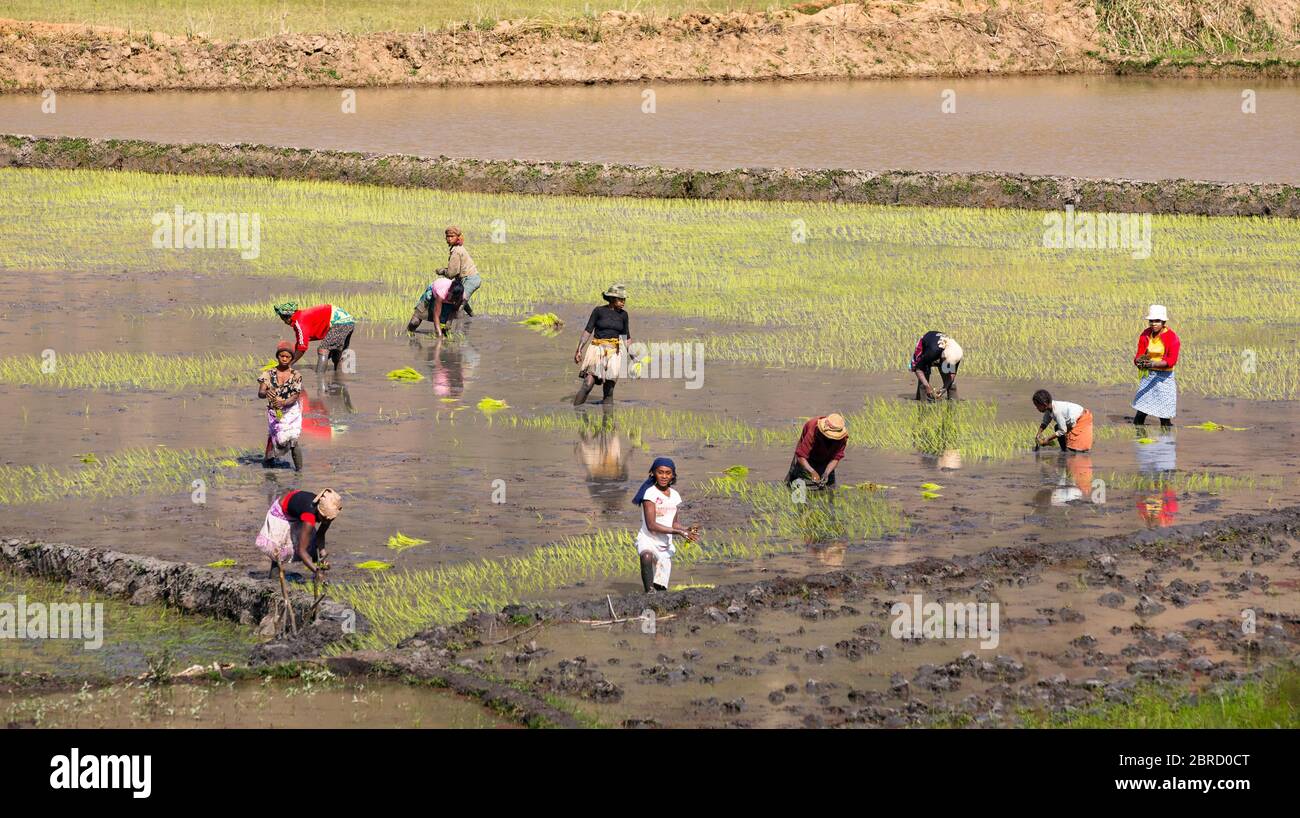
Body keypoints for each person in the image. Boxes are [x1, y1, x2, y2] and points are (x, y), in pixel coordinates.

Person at [633, 457, 698, 593]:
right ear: (653, 473)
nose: (664, 476)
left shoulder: (675, 495)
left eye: (668, 473)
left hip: (664, 544)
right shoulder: (649, 494)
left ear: (673, 475)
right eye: (660, 472)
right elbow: (651, 525)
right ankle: (648, 593)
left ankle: (657, 597)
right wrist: (679, 533)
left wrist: (686, 529)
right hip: (648, 539)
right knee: (646, 556)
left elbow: (674, 523)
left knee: (661, 589)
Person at [254, 488, 341, 582]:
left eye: (328, 520)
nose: (325, 522)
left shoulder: (328, 514)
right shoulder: (309, 515)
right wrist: (317, 571)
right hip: (282, 512)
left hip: (297, 511)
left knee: (312, 542)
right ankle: (274, 575)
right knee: (280, 549)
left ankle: (316, 574)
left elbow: (320, 535)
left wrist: (322, 553)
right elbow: (301, 551)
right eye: (323, 519)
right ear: (319, 511)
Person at [574, 284, 630, 405]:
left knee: (609, 391)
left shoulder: (624, 315)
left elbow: (626, 338)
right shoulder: (599, 311)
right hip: (596, 351)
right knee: (588, 384)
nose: (623, 302)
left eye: (624, 299)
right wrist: (579, 350)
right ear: (612, 299)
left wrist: (635, 357)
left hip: (614, 353)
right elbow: (588, 330)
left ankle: (608, 421)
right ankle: (576, 412)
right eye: (620, 299)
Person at [257, 341, 304, 470]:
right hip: (275, 411)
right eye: (281, 356)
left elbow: (296, 395)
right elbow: (260, 393)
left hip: (291, 411)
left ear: (291, 358)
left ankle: (299, 472)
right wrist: (266, 392)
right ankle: (268, 465)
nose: (284, 359)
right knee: (275, 437)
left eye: (287, 357)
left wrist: (283, 402)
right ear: (277, 357)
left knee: (293, 439)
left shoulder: (296, 375)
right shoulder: (269, 374)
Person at [1132, 304, 1179, 427]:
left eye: (1157, 321)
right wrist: (1139, 362)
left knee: (1164, 417)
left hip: (1164, 377)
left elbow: (1171, 361)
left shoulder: (1172, 337)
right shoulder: (1145, 334)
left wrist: (1152, 363)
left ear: (1163, 322)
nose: (1153, 324)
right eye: (1151, 321)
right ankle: (1139, 440)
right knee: (1141, 412)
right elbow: (1139, 354)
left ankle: (1166, 443)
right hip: (1148, 376)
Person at [274, 302, 355, 371]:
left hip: (340, 322)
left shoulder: (299, 321)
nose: (284, 322)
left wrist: (289, 364)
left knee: (323, 349)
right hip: (348, 320)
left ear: (287, 317)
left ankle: (320, 377)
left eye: (282, 318)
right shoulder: (301, 316)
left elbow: (302, 347)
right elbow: (300, 343)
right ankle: (338, 377)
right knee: (336, 352)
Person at [785, 413, 848, 489]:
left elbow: (836, 458)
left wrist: (826, 473)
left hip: (827, 460)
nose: (831, 438)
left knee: (829, 490)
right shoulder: (813, 429)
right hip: (806, 459)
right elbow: (801, 456)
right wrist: (812, 472)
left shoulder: (842, 438)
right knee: (796, 488)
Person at [437, 226, 481, 317]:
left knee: (458, 305)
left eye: (452, 236)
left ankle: (459, 330)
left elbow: (451, 274)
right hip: (469, 279)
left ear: (458, 237)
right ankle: (473, 317)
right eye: (448, 236)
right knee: (459, 298)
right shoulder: (458, 248)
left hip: (470, 280)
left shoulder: (456, 251)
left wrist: (442, 271)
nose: (449, 239)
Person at [909, 331, 963, 401]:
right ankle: (922, 401)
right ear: (943, 358)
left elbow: (952, 374)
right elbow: (918, 369)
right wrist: (927, 386)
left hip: (942, 352)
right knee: (924, 379)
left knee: (950, 383)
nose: (946, 366)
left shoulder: (956, 353)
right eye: (945, 363)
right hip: (926, 346)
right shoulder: (932, 352)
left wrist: (944, 388)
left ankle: (953, 402)